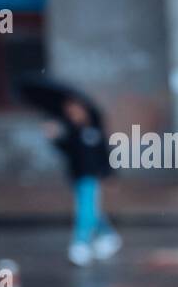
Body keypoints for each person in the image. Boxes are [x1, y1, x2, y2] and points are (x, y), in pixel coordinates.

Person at [44, 95, 121, 266]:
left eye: (75, 110)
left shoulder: (95, 130)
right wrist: (54, 138)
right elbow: (67, 151)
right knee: (92, 208)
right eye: (69, 111)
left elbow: (104, 153)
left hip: (91, 176)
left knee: (85, 209)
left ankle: (81, 243)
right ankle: (108, 235)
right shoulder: (72, 132)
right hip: (77, 175)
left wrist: (109, 174)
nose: (73, 114)